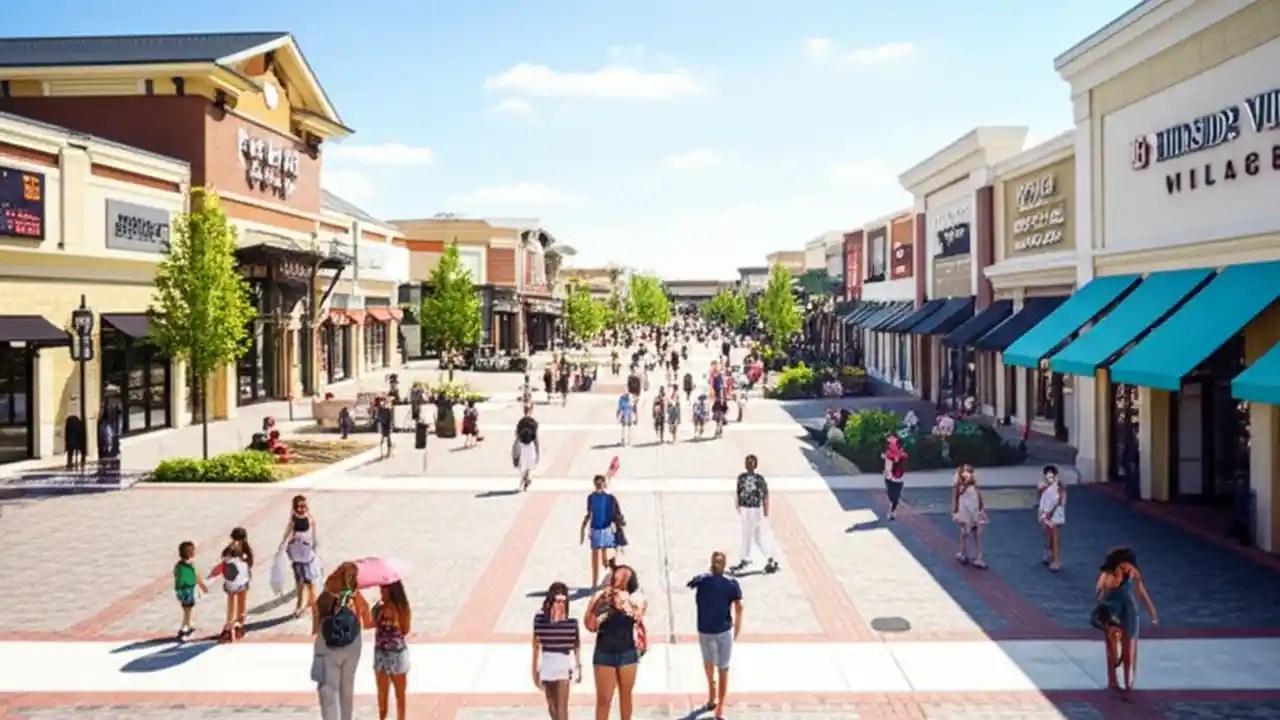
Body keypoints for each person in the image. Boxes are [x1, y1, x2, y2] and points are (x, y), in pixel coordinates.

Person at [313, 562, 375, 720]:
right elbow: (368, 623)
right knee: (347, 688)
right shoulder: (355, 596)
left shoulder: (325, 596)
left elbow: (316, 624)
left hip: (328, 645)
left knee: (328, 689)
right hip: (352, 645)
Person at [585, 565, 646, 720]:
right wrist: (598, 602)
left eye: (625, 576)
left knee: (626, 697)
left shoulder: (635, 599)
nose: (620, 578)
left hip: (627, 652)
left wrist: (625, 604)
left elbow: (638, 615)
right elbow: (590, 625)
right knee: (604, 700)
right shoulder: (602, 598)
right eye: (618, 575)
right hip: (604, 653)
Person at [687, 551, 742, 720]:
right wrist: (737, 628)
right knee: (717, 666)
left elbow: (739, 606)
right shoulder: (729, 583)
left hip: (712, 630)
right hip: (715, 631)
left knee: (716, 666)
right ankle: (716, 702)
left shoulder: (705, 581)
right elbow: (739, 606)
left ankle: (716, 701)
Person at [1096, 548, 1158, 694]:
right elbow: (1100, 592)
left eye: (1128, 565)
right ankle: (1113, 682)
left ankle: (1128, 684)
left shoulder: (1133, 572)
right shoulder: (1108, 574)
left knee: (1129, 648)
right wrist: (1114, 579)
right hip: (1112, 611)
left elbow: (1141, 591)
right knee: (1113, 649)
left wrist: (1152, 610)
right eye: (1122, 565)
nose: (1125, 568)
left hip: (1129, 611)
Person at [533, 581, 582, 720]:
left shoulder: (571, 623)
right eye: (557, 600)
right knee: (552, 706)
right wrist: (534, 671)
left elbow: (576, 646)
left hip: (563, 664)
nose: (560, 604)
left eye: (563, 601)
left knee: (561, 708)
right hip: (547, 662)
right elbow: (536, 646)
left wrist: (578, 668)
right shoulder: (540, 620)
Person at [731, 455, 779, 575]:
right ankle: (769, 558)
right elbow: (738, 492)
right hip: (745, 508)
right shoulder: (741, 478)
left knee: (748, 535)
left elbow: (765, 495)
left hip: (754, 509)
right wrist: (738, 505)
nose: (749, 465)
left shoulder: (759, 479)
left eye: (751, 463)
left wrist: (766, 511)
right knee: (756, 537)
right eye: (747, 463)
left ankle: (745, 559)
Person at [373, 581, 411, 720]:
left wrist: (395, 619)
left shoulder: (402, 608)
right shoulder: (378, 608)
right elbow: (368, 623)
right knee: (382, 694)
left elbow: (405, 630)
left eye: (383, 590)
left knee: (400, 695)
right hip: (380, 654)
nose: (381, 593)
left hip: (397, 655)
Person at [280, 495, 320, 618]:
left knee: (310, 580)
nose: (301, 509)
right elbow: (287, 533)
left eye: (303, 506)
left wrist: (314, 548)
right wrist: (284, 545)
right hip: (297, 555)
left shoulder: (310, 519)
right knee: (299, 582)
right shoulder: (293, 520)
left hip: (308, 556)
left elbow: (314, 536)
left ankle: (312, 603)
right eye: (298, 506)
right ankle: (299, 604)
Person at [580, 474, 620, 589]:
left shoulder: (609, 498)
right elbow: (589, 512)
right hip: (596, 529)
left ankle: (610, 576)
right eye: (597, 483)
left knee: (609, 553)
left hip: (607, 528)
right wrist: (583, 526)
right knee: (594, 554)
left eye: (601, 483)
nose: (599, 485)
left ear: (604, 484)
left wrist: (617, 526)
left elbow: (614, 513)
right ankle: (594, 580)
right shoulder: (591, 497)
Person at [216, 527, 254, 642]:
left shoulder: (229, 551)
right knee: (241, 604)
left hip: (231, 583)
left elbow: (223, 558)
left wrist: (231, 546)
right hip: (242, 581)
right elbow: (250, 563)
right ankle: (238, 626)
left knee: (231, 604)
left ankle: (228, 626)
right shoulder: (246, 551)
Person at [951, 464, 988, 569]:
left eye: (969, 473)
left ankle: (978, 557)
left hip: (975, 511)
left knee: (977, 534)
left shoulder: (974, 486)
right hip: (964, 512)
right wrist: (954, 511)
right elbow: (954, 499)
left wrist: (982, 509)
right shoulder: (959, 487)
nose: (967, 475)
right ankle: (962, 552)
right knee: (965, 532)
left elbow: (979, 497)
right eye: (965, 473)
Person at [173, 540, 208, 642]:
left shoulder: (187, 565)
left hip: (190, 589)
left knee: (188, 609)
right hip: (186, 590)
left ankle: (188, 625)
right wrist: (179, 591)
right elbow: (179, 579)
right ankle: (185, 629)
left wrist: (201, 586)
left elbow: (196, 576)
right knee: (187, 610)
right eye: (192, 550)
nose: (194, 552)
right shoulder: (182, 566)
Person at [1038, 464, 1066, 572]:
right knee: (1048, 535)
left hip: (1055, 515)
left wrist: (1050, 513)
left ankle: (1056, 561)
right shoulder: (1044, 487)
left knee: (1055, 538)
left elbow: (1059, 502)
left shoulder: (1059, 487)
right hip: (1046, 514)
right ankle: (1049, 553)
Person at [515, 404, 540, 492]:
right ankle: (528, 478)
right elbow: (536, 438)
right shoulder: (533, 422)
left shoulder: (521, 422)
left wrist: (515, 447)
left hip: (522, 444)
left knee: (522, 464)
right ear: (531, 410)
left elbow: (517, 435)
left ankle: (525, 478)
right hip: (530, 444)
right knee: (530, 464)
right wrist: (537, 450)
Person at [883, 435, 908, 520]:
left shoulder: (902, 454)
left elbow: (904, 462)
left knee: (896, 496)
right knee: (891, 495)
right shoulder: (889, 454)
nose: (890, 445)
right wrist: (888, 473)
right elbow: (887, 465)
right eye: (890, 443)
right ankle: (892, 508)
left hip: (899, 478)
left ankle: (893, 510)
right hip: (890, 478)